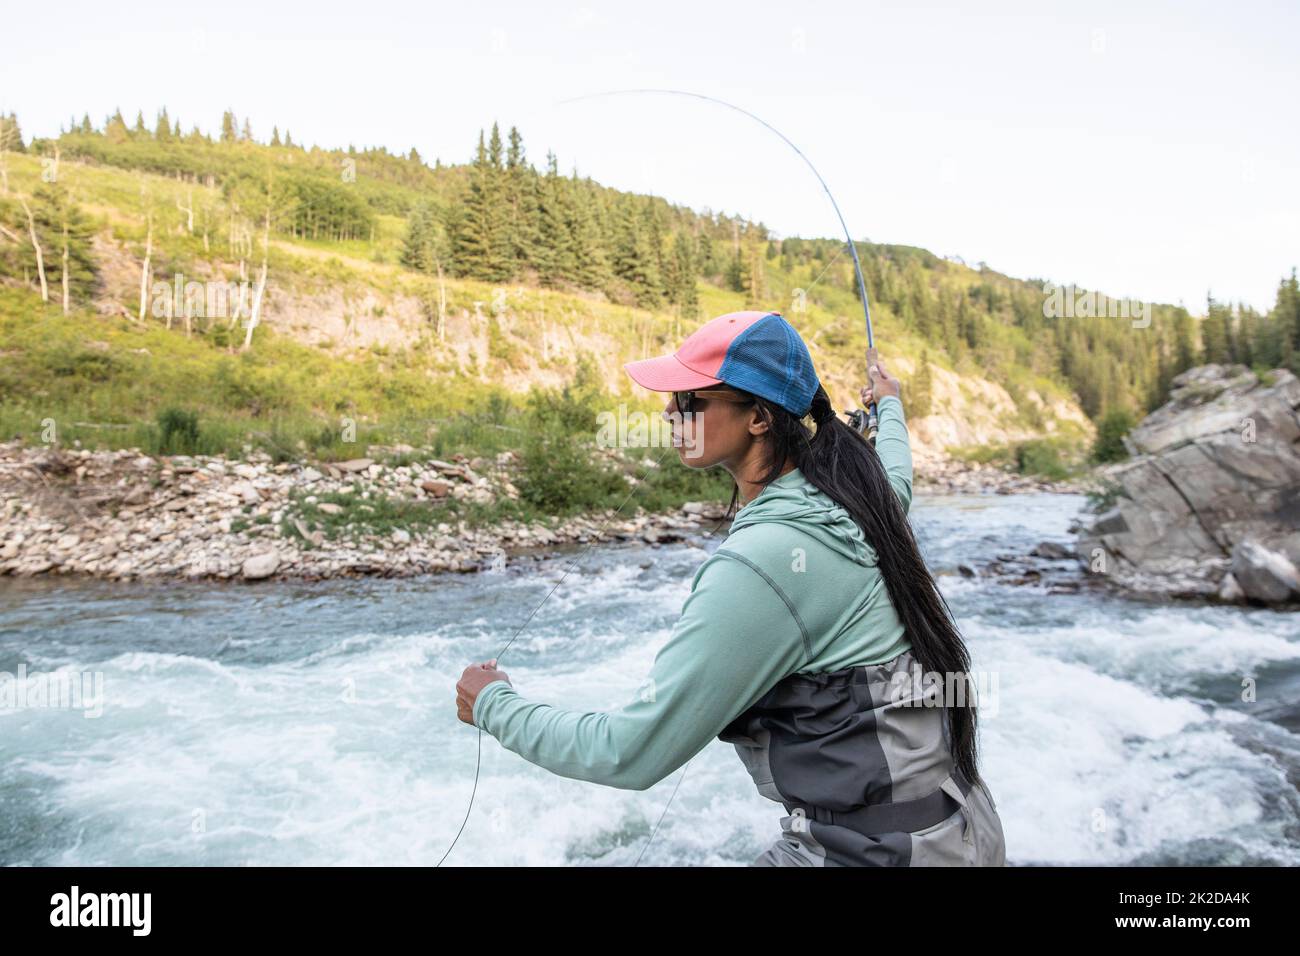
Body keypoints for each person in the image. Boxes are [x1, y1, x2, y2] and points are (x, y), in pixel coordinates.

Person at [456, 309, 1006, 866]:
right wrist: (889, 403)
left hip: (874, 852)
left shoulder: (764, 563)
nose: (670, 411)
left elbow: (630, 752)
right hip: (958, 826)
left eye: (691, 400)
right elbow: (897, 469)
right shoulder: (864, 497)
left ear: (760, 418)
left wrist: (493, 704)